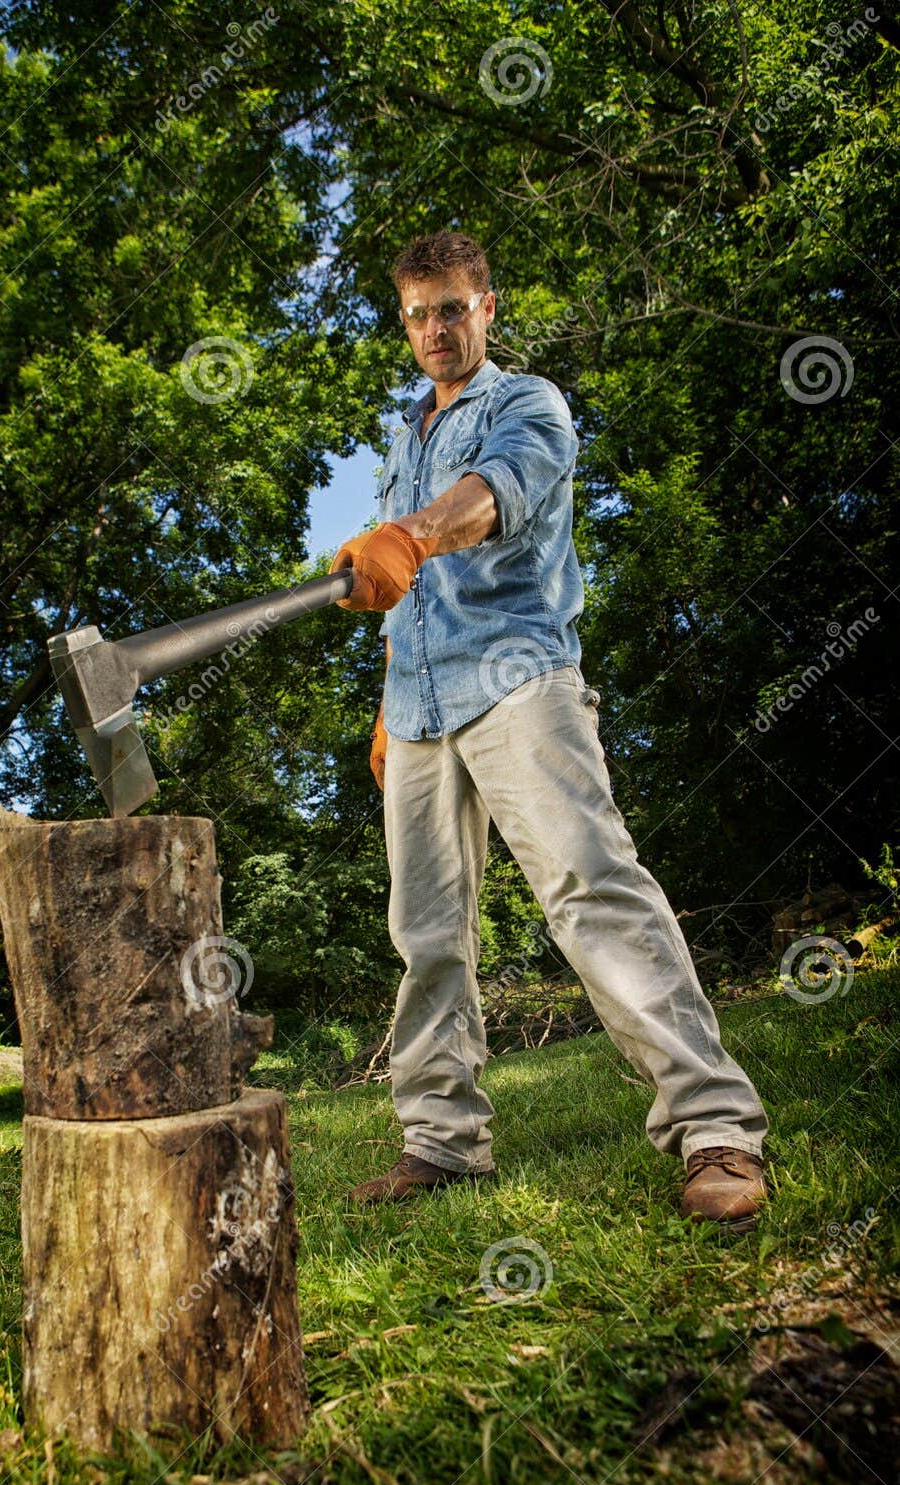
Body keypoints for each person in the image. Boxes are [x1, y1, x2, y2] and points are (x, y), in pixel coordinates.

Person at [329, 229, 769, 1230]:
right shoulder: (402, 439)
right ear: (403, 325)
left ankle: (714, 1126)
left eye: (451, 307)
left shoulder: (524, 404)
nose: (435, 329)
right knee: (426, 935)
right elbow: (406, 592)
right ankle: (441, 1141)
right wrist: (387, 705)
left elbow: (491, 500)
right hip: (418, 709)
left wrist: (410, 534)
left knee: (586, 886)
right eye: (416, 314)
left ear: (485, 307)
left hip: (518, 678)